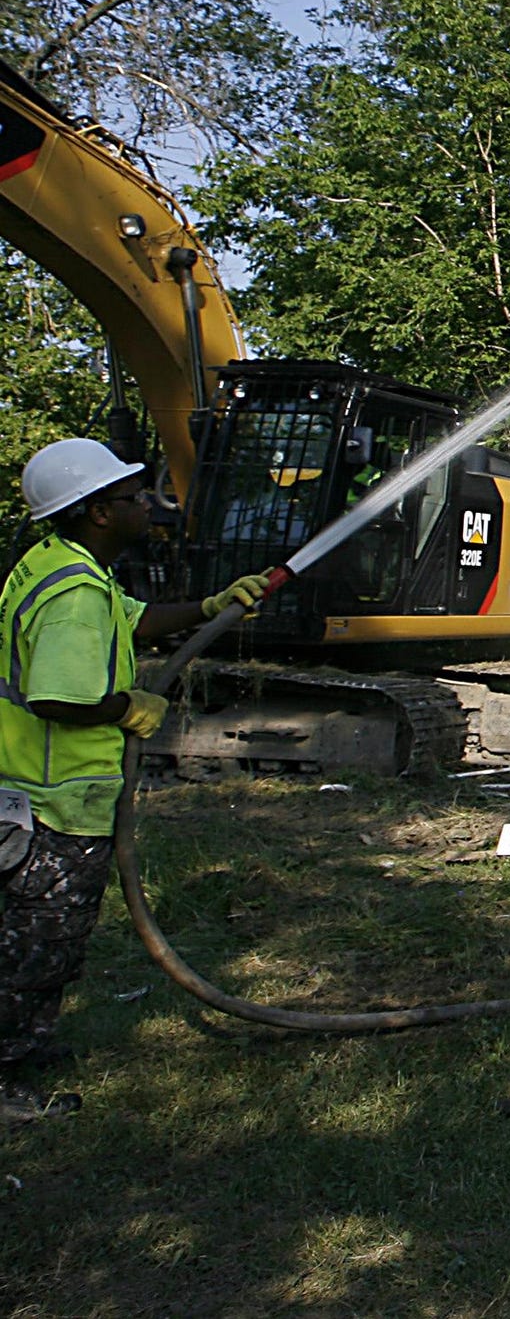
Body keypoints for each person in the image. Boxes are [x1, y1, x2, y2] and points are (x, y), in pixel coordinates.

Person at [0, 438, 272, 1124]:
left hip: (33, 792)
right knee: (39, 943)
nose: (146, 506)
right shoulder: (73, 597)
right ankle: (6, 1078)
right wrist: (127, 707)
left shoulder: (62, 568)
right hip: (55, 802)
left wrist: (209, 606)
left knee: (40, 938)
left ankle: (27, 1045)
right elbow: (57, 695)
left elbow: (138, 619)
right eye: (131, 498)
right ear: (96, 512)